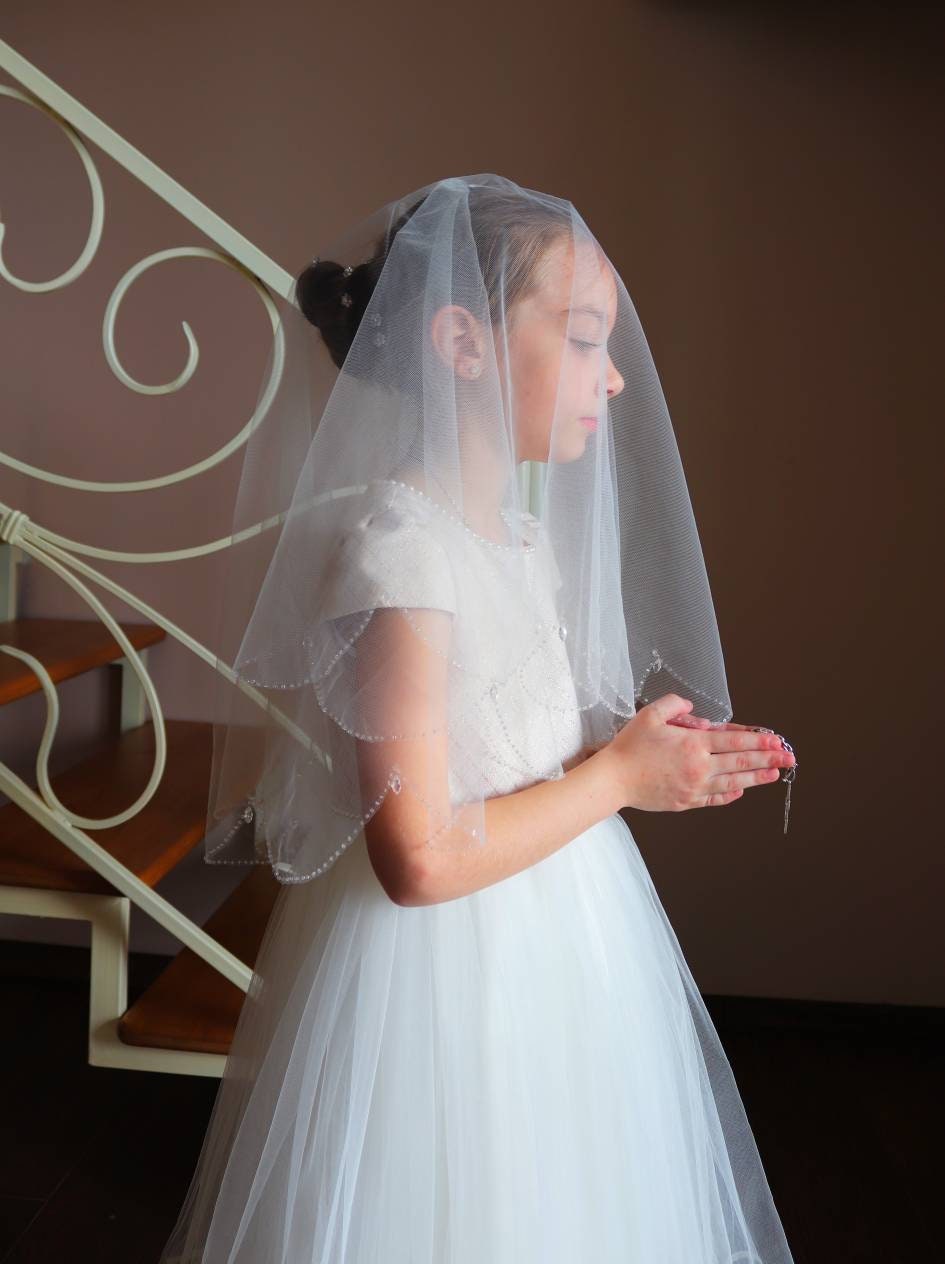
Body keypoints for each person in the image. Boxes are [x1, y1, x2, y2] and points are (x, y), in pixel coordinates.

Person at [159, 173, 797, 1262]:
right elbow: (418, 856)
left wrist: (635, 758)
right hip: (445, 975)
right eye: (588, 338)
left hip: (563, 940)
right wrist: (616, 783)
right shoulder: (403, 559)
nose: (619, 378)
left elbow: (495, 754)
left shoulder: (517, 535)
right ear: (462, 340)